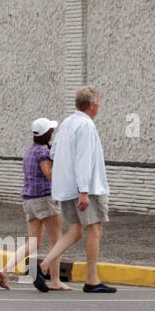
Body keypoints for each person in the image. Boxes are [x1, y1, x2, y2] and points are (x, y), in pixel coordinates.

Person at [37, 86, 117, 293]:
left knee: (75, 230)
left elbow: (53, 153)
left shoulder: (66, 123)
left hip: (66, 186)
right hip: (87, 187)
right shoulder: (86, 125)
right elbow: (84, 158)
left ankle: (44, 265)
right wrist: (83, 190)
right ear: (92, 105)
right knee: (94, 230)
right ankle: (92, 280)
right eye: (98, 101)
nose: (99, 105)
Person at [0, 118, 71, 290]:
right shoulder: (43, 152)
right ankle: (55, 281)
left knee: (33, 242)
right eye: (51, 130)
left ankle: (5, 270)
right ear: (48, 134)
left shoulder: (29, 151)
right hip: (45, 199)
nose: (53, 132)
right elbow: (49, 174)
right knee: (56, 240)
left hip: (29, 200)